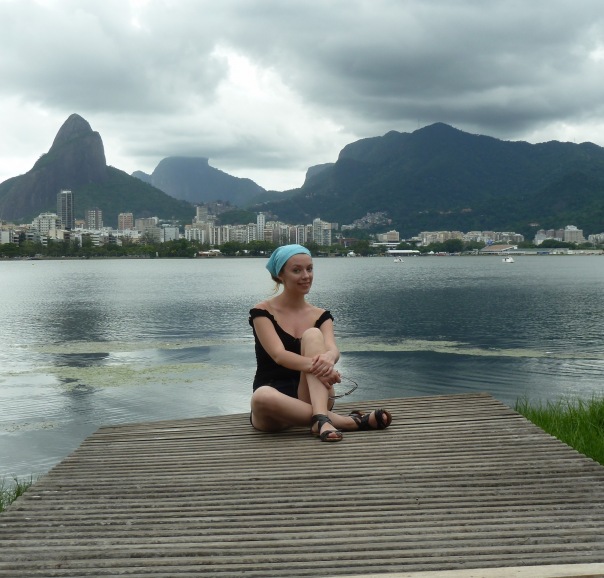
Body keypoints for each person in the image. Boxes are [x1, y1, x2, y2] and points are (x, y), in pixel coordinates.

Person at [249, 244, 392, 442]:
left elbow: (333, 350)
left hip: (313, 396)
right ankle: (348, 421)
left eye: (309, 269)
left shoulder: (321, 315)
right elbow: (279, 355)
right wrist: (322, 368)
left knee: (313, 334)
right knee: (261, 396)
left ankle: (321, 417)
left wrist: (329, 360)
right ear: (280, 275)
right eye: (297, 270)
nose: (306, 276)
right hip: (274, 407)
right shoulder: (262, 312)